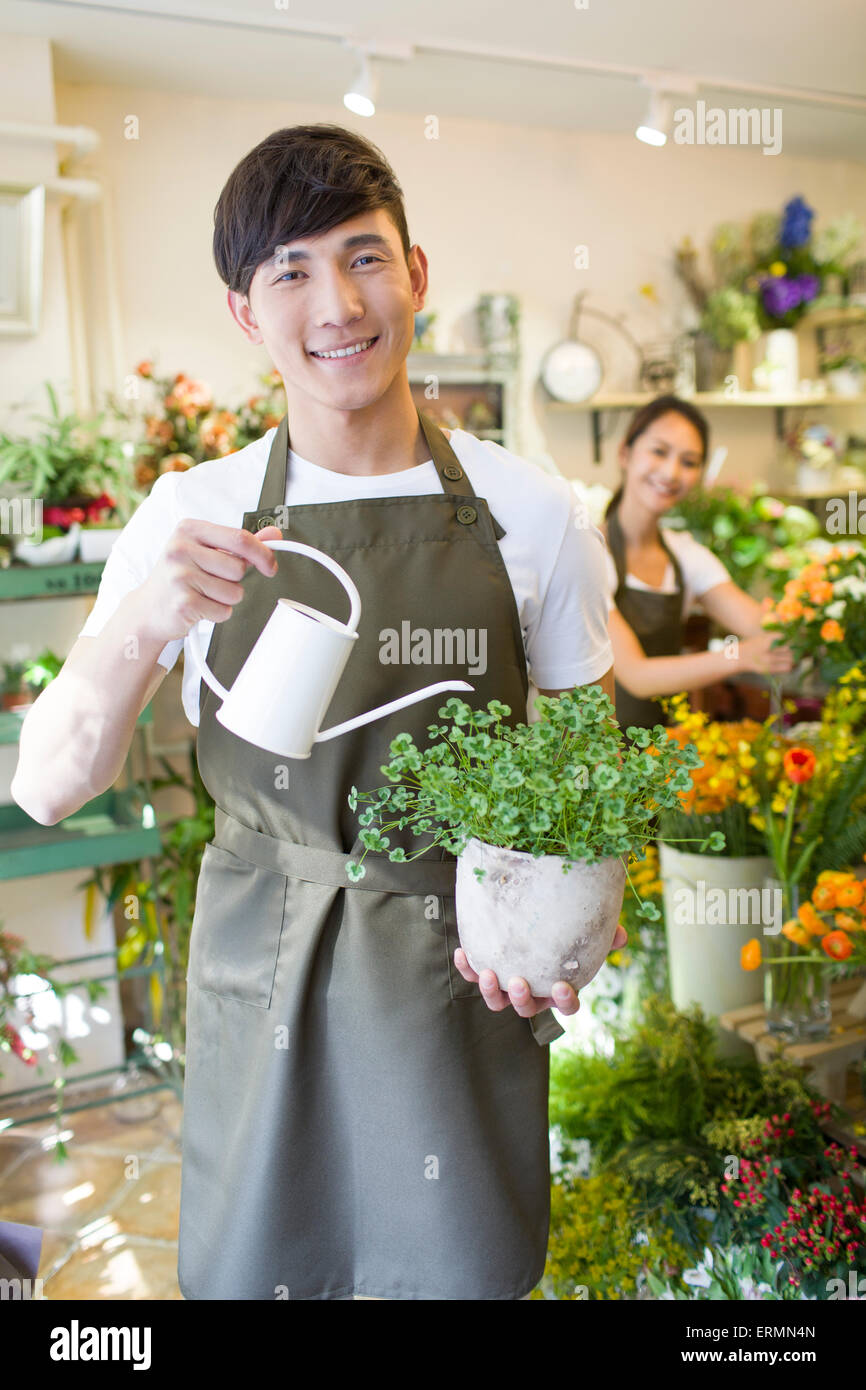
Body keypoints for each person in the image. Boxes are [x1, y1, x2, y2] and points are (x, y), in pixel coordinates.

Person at [12, 124, 621, 1301]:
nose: (335, 301)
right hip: (265, 969)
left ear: (416, 274)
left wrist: (560, 943)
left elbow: (583, 774)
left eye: (362, 257)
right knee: (262, 1272)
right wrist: (144, 619)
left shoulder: (528, 511)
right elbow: (47, 785)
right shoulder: (194, 510)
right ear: (245, 312)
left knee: (458, 1271)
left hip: (453, 976)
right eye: (288, 269)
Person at [599, 394, 794, 732]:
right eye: (659, 452)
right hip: (587, 758)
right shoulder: (589, 552)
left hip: (653, 757)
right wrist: (741, 656)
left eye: (689, 462)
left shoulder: (685, 555)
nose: (672, 472)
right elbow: (637, 675)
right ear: (625, 454)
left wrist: (822, 609)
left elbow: (760, 625)